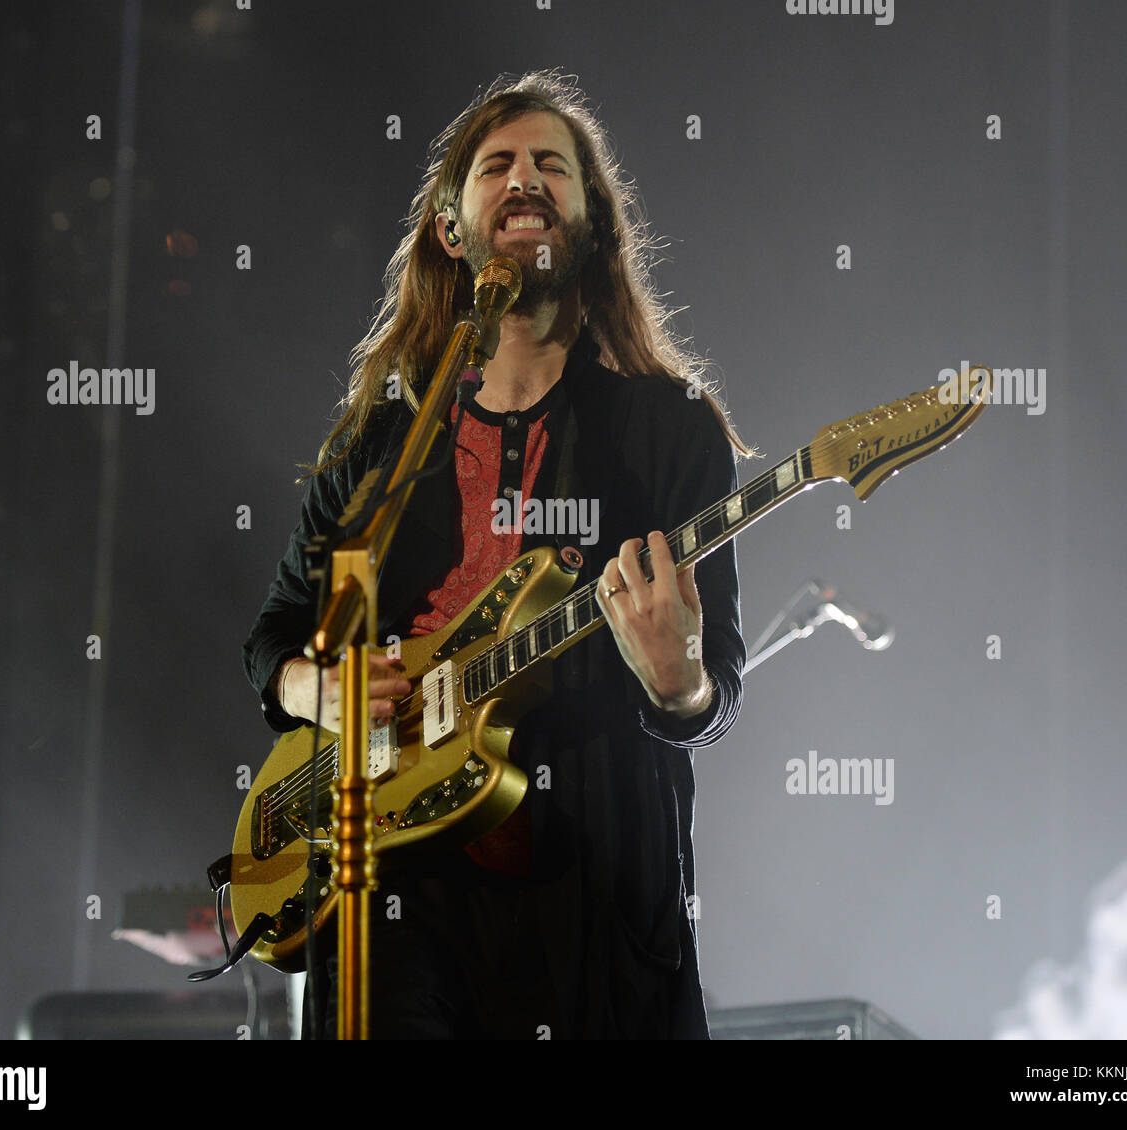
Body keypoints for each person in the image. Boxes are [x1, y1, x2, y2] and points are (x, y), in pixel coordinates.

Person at [242, 69, 754, 1039]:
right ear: (450, 226)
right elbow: (271, 638)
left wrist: (676, 679)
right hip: (392, 872)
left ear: (592, 224)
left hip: (585, 876)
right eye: (497, 166)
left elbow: (712, 686)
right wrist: (324, 691)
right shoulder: (380, 442)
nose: (524, 181)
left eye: (551, 166)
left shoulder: (667, 431)